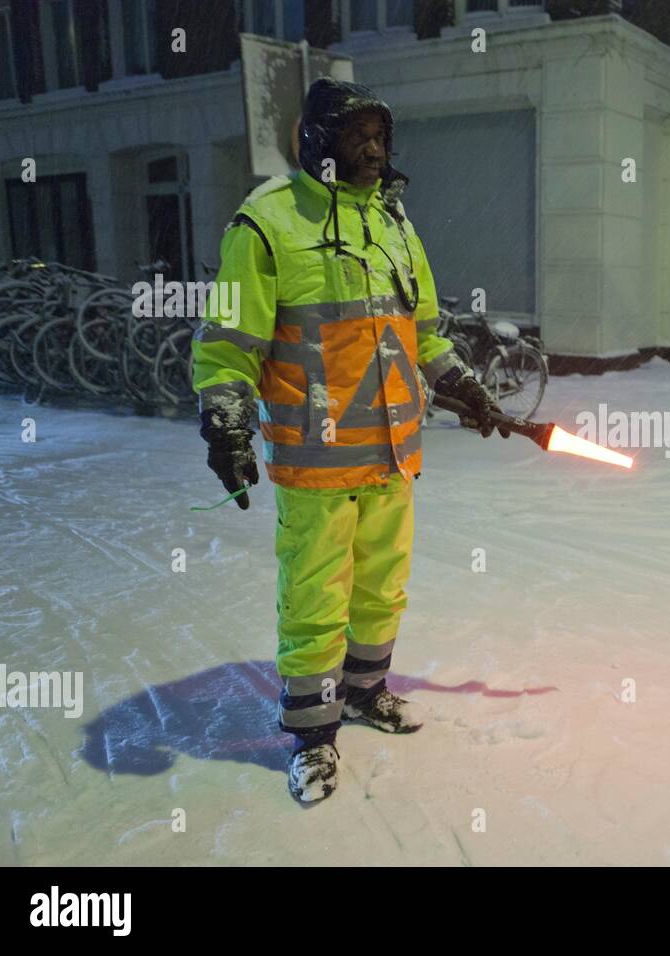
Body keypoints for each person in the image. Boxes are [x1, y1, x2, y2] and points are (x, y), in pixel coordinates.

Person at [191, 77, 506, 803]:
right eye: (356, 136)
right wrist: (228, 422)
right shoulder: (268, 221)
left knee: (381, 589)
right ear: (316, 141)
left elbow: (423, 329)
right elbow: (228, 345)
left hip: (393, 454)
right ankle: (311, 735)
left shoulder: (394, 222)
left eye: (379, 137)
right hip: (317, 457)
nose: (372, 150)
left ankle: (365, 692)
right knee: (314, 598)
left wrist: (461, 384)